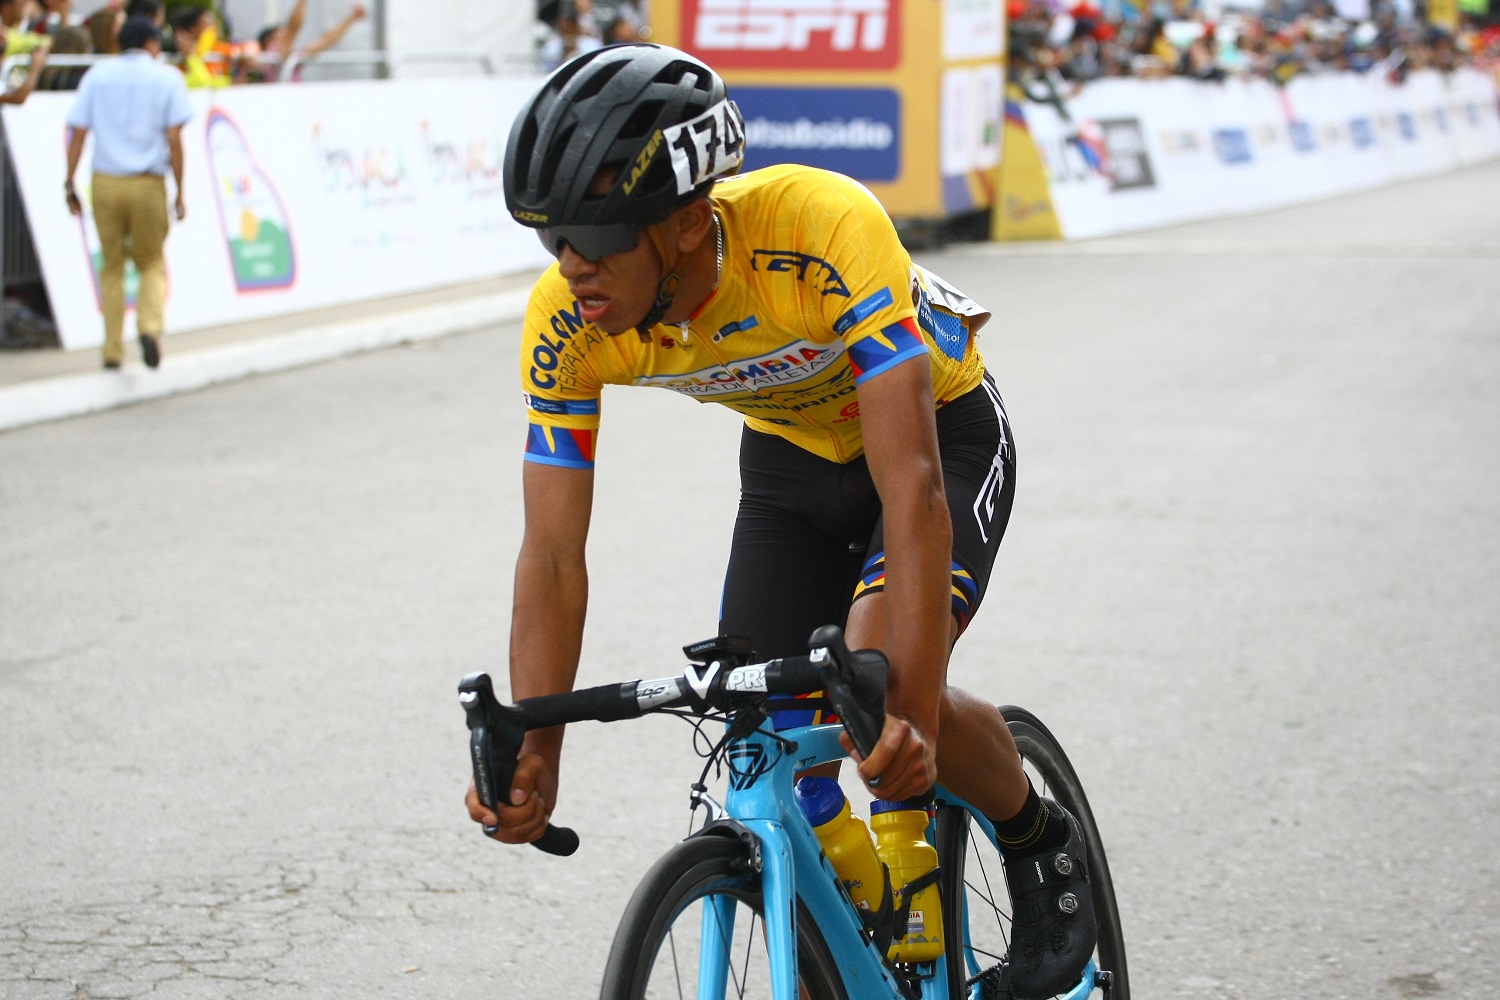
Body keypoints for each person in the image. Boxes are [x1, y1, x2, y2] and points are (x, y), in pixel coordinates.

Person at [466, 44, 1099, 999]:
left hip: (939, 437)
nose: (571, 269)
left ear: (684, 224)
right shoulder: (569, 321)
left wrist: (911, 717)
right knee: (755, 713)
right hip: (791, 467)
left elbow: (914, 489)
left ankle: (1036, 836)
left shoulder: (817, 226)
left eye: (595, 240)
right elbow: (553, 553)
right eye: (552, 241)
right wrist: (541, 743)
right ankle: (861, 909)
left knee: (875, 674)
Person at [63, 16, 190, 369]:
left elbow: (78, 131)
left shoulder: (98, 75)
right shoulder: (167, 77)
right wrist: (180, 190)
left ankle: (112, 348)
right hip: (147, 181)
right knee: (151, 261)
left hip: (105, 180)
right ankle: (149, 327)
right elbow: (175, 139)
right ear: (152, 44)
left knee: (112, 267)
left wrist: (69, 180)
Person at [252, 0, 366, 82]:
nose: (284, 36)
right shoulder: (270, 56)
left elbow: (325, 41)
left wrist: (351, 18)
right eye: (280, 34)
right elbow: (293, 29)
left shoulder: (292, 58)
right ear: (267, 42)